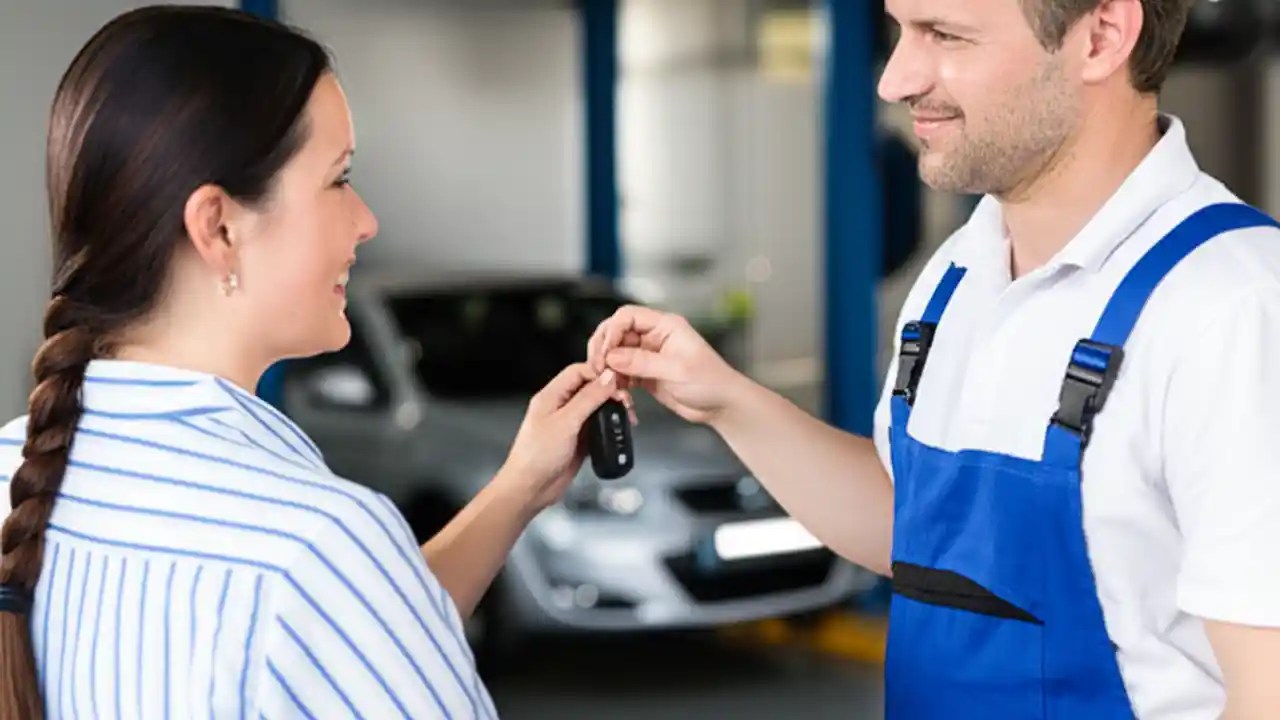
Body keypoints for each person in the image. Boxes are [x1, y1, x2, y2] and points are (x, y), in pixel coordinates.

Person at [589, 0, 1280, 718]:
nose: (894, 80)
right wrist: (725, 400)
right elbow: (920, 530)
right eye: (900, 31)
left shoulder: (1233, 307)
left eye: (944, 34)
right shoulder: (959, 274)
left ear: (1101, 37)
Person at [0, 6, 626, 719]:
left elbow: (350, 642)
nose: (367, 221)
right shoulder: (312, 544)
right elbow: (326, 610)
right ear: (219, 227)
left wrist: (517, 489)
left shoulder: (14, 478)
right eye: (339, 178)